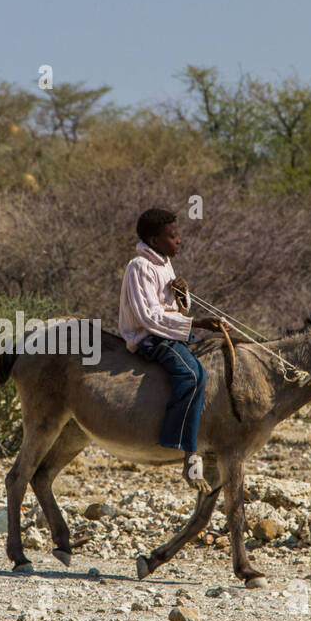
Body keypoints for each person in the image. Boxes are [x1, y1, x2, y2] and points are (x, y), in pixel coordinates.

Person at [118, 208, 221, 490]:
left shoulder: (164, 264)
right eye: (172, 236)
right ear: (153, 239)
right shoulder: (139, 267)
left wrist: (182, 296)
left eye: (177, 235)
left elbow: (172, 308)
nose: (179, 240)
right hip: (147, 337)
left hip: (167, 333)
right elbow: (148, 317)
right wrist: (195, 323)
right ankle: (185, 454)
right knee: (191, 374)